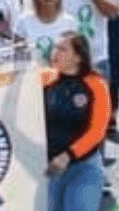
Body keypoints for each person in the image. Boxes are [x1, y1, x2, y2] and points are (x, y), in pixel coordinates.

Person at [43, 32, 111, 211]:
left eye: (62, 49)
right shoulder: (45, 80)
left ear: (78, 57)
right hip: (51, 169)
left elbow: (98, 131)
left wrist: (68, 156)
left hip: (84, 167)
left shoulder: (96, 82)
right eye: (55, 48)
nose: (55, 52)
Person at [14, 0, 77, 64]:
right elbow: (17, 57)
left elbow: (72, 56)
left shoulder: (69, 23)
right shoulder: (23, 21)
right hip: (32, 75)